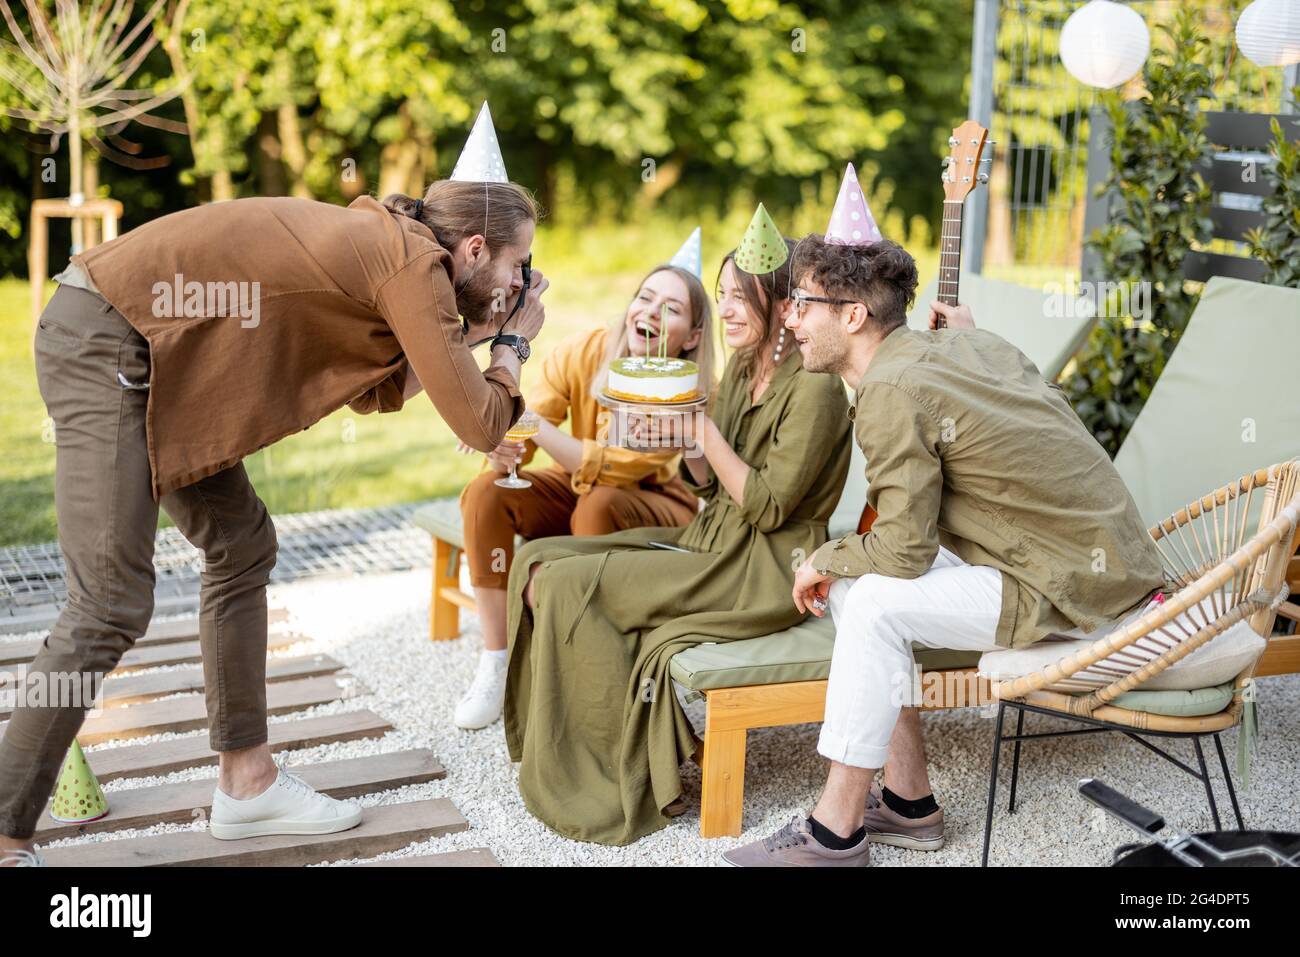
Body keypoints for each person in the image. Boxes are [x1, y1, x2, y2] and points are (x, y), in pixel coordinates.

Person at [0, 177, 547, 866]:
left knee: (241, 544)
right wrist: (512, 345)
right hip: (112, 337)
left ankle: (247, 781)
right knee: (110, 598)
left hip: (156, 352)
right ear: (474, 248)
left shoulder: (402, 253)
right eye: (518, 263)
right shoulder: (411, 263)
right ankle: (6, 833)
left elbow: (386, 389)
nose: (524, 279)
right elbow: (479, 417)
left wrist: (487, 333)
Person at [722, 234, 1165, 867]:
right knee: (855, 589)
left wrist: (822, 558)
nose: (786, 317)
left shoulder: (891, 389)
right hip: (1070, 556)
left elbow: (903, 550)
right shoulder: (966, 342)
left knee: (872, 600)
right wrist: (841, 566)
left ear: (852, 317)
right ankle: (909, 803)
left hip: (1067, 584)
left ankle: (833, 834)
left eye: (801, 303)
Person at [502, 219, 852, 846]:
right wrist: (687, 445)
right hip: (711, 540)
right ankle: (619, 739)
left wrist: (702, 429)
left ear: (781, 302)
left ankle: (621, 765)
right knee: (538, 562)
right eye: (721, 297)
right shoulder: (747, 367)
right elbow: (710, 488)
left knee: (565, 584)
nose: (725, 311)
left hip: (762, 569)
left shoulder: (817, 387)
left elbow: (770, 507)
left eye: (738, 297)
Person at [452, 262, 717, 729]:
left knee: (599, 502)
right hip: (580, 496)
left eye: (671, 308)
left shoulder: (687, 388)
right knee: (486, 494)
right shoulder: (585, 350)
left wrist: (528, 420)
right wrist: (503, 448)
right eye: (646, 297)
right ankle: (495, 661)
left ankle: (584, 669)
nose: (652, 312)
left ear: (692, 336)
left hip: (654, 505)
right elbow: (528, 430)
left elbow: (614, 467)